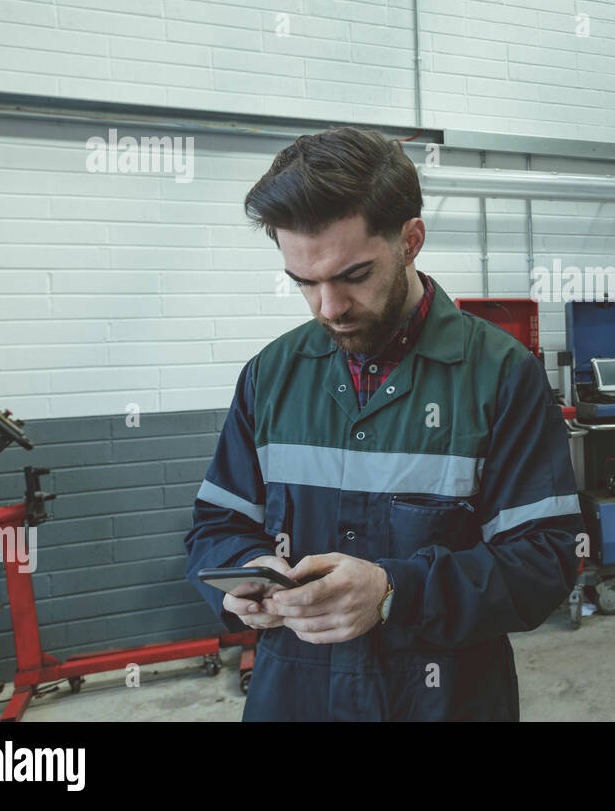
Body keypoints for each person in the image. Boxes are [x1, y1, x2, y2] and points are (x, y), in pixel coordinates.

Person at [184, 127, 582, 720]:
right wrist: (247, 576)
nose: (329, 308)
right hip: (295, 692)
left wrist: (395, 591)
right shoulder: (270, 375)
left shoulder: (502, 375)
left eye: (353, 275)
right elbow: (217, 525)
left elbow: (545, 560)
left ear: (411, 240)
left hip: (445, 696)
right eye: (305, 283)